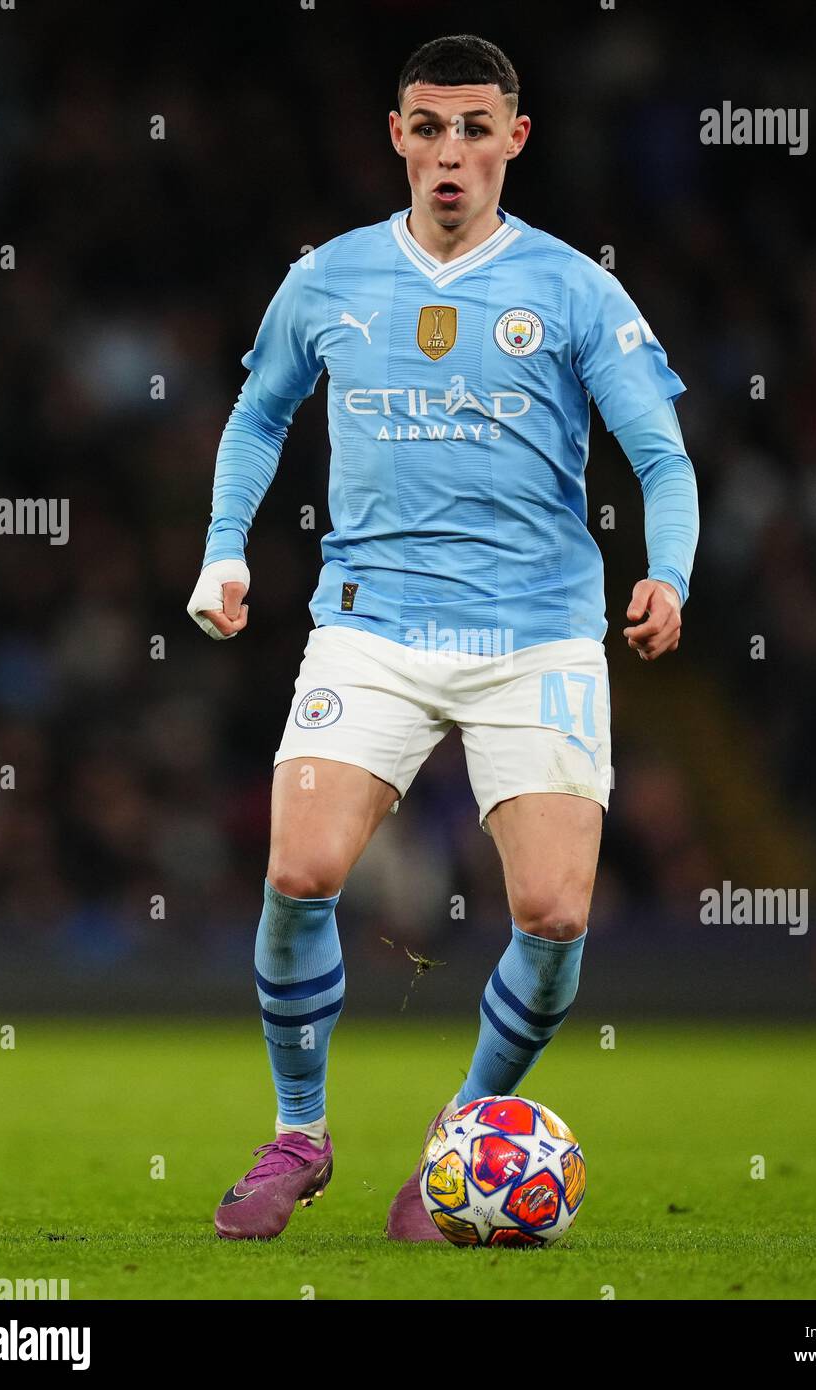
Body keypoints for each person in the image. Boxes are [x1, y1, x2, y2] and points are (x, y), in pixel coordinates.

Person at [187, 33, 699, 1242]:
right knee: (301, 869)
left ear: (515, 139)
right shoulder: (328, 279)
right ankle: (299, 1133)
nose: (450, 153)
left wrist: (665, 574)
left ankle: (456, 1138)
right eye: (428, 127)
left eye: (475, 129)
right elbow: (257, 417)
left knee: (557, 913)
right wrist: (222, 548)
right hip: (371, 621)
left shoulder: (575, 290)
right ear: (396, 136)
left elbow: (660, 456)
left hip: (538, 634)